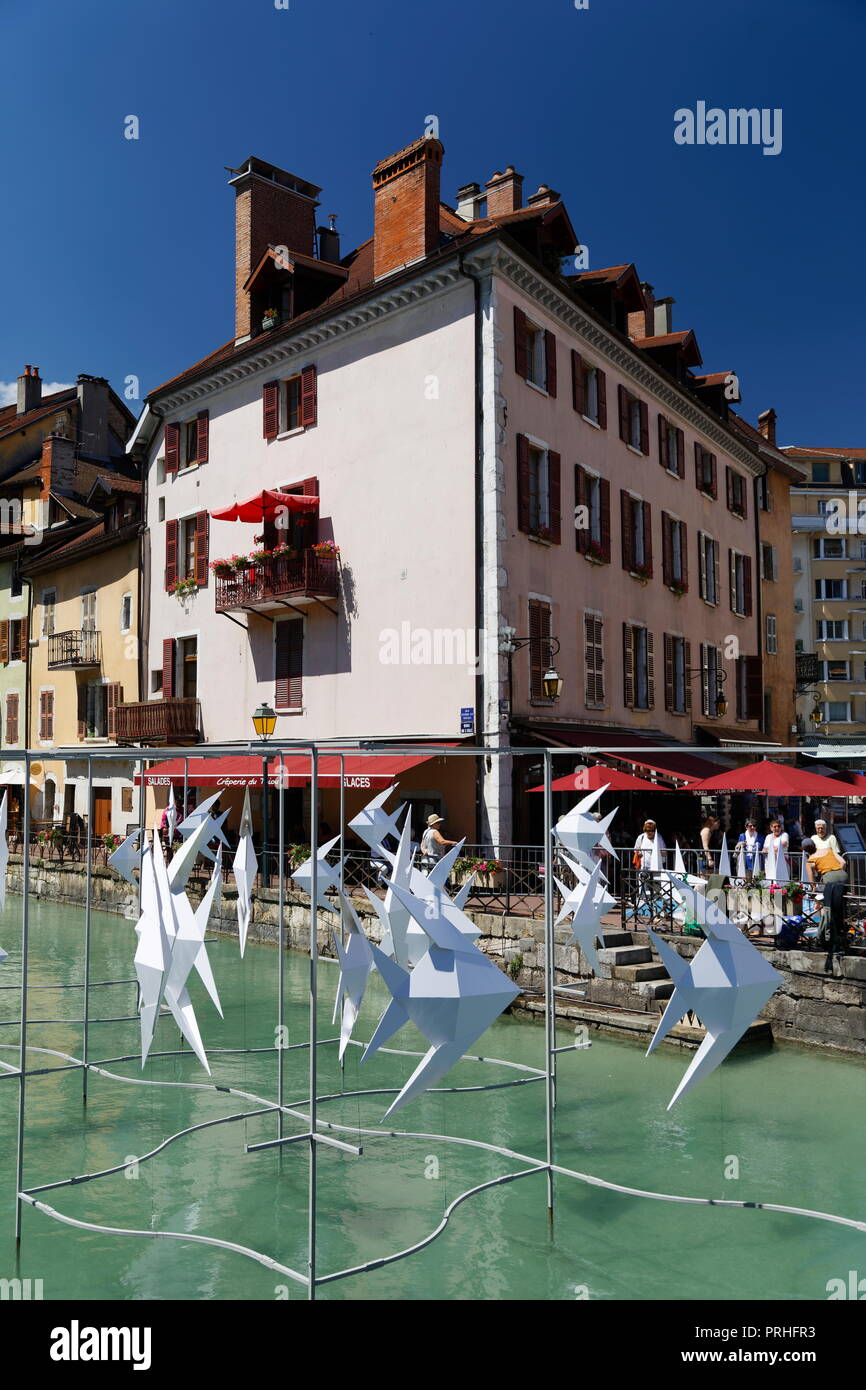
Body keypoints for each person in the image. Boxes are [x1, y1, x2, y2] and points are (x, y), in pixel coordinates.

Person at [762, 819, 790, 885]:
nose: (777, 828)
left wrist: (769, 850)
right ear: (771, 828)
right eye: (775, 827)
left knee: (783, 882)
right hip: (770, 863)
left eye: (779, 826)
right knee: (770, 882)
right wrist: (771, 849)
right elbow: (764, 849)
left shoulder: (784, 835)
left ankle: (782, 895)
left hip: (782, 863)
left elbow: (783, 844)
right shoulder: (768, 836)